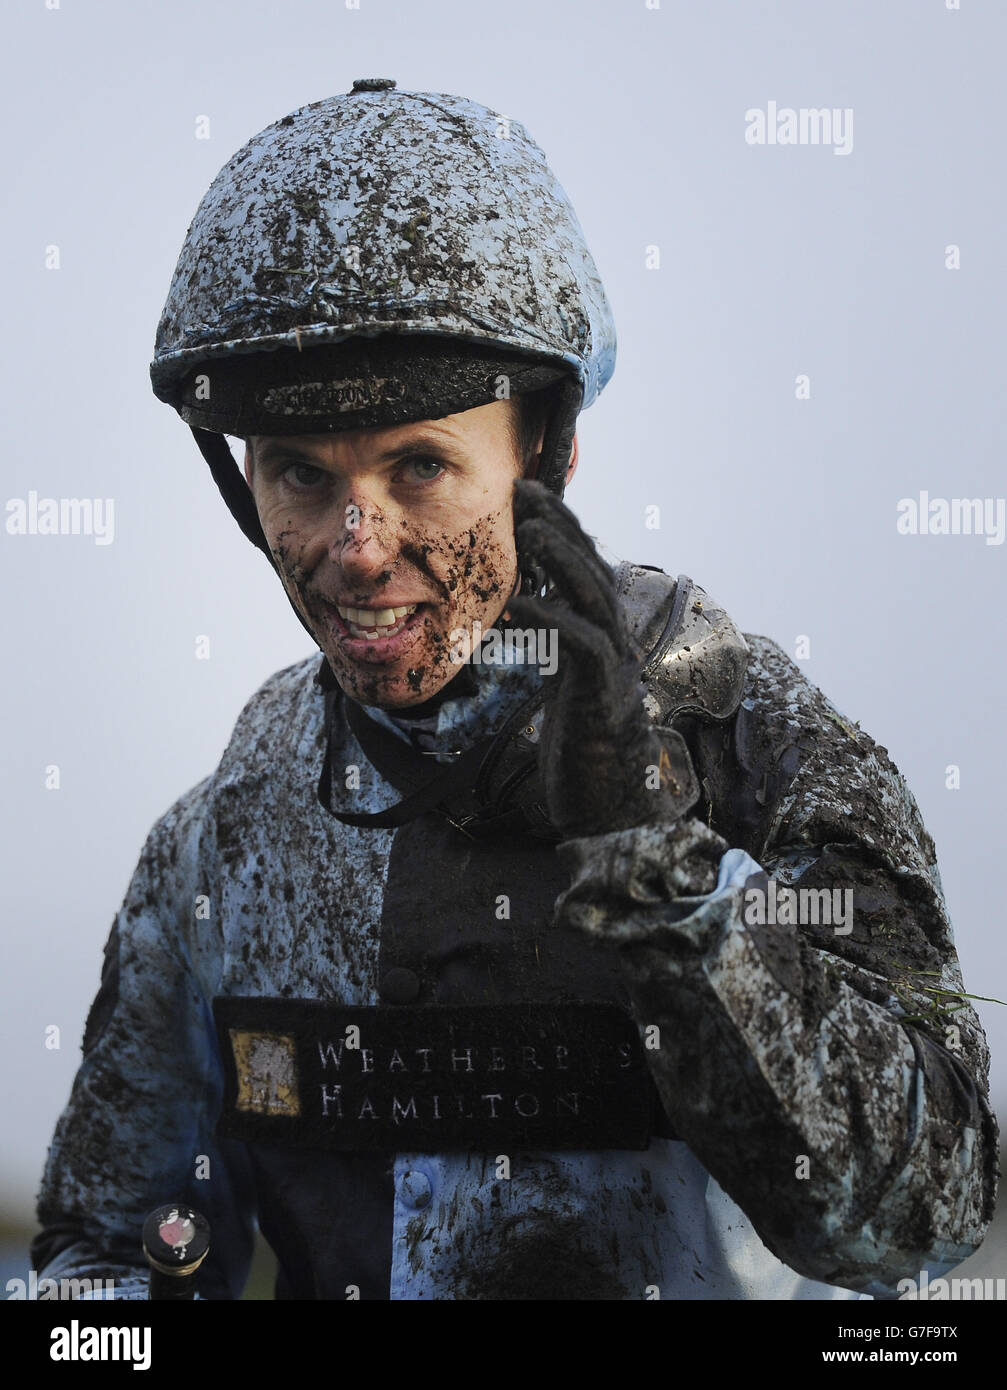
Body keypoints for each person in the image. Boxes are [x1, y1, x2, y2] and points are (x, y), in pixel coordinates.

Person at [32, 79, 997, 1301]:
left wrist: (659, 870)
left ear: (547, 450)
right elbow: (95, 1266)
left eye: (420, 465)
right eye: (294, 473)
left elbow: (920, 1222)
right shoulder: (223, 844)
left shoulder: (764, 756)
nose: (359, 544)